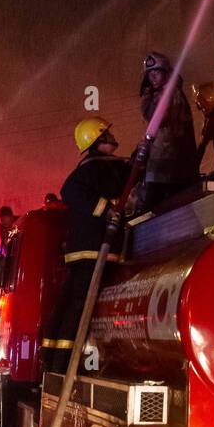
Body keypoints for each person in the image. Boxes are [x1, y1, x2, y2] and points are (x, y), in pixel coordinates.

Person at [40, 119, 131, 375]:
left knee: (71, 305)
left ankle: (54, 360)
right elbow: (70, 191)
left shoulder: (101, 167)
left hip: (86, 250)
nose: (113, 137)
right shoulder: (96, 168)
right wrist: (107, 210)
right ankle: (64, 365)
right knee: (81, 306)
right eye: (107, 134)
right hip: (95, 248)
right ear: (96, 140)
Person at [139, 51, 199, 212]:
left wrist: (145, 96)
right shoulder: (170, 92)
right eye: (149, 73)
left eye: (156, 72)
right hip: (172, 168)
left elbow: (154, 118)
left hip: (166, 168)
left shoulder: (168, 93)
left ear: (166, 73)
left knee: (150, 215)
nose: (152, 77)